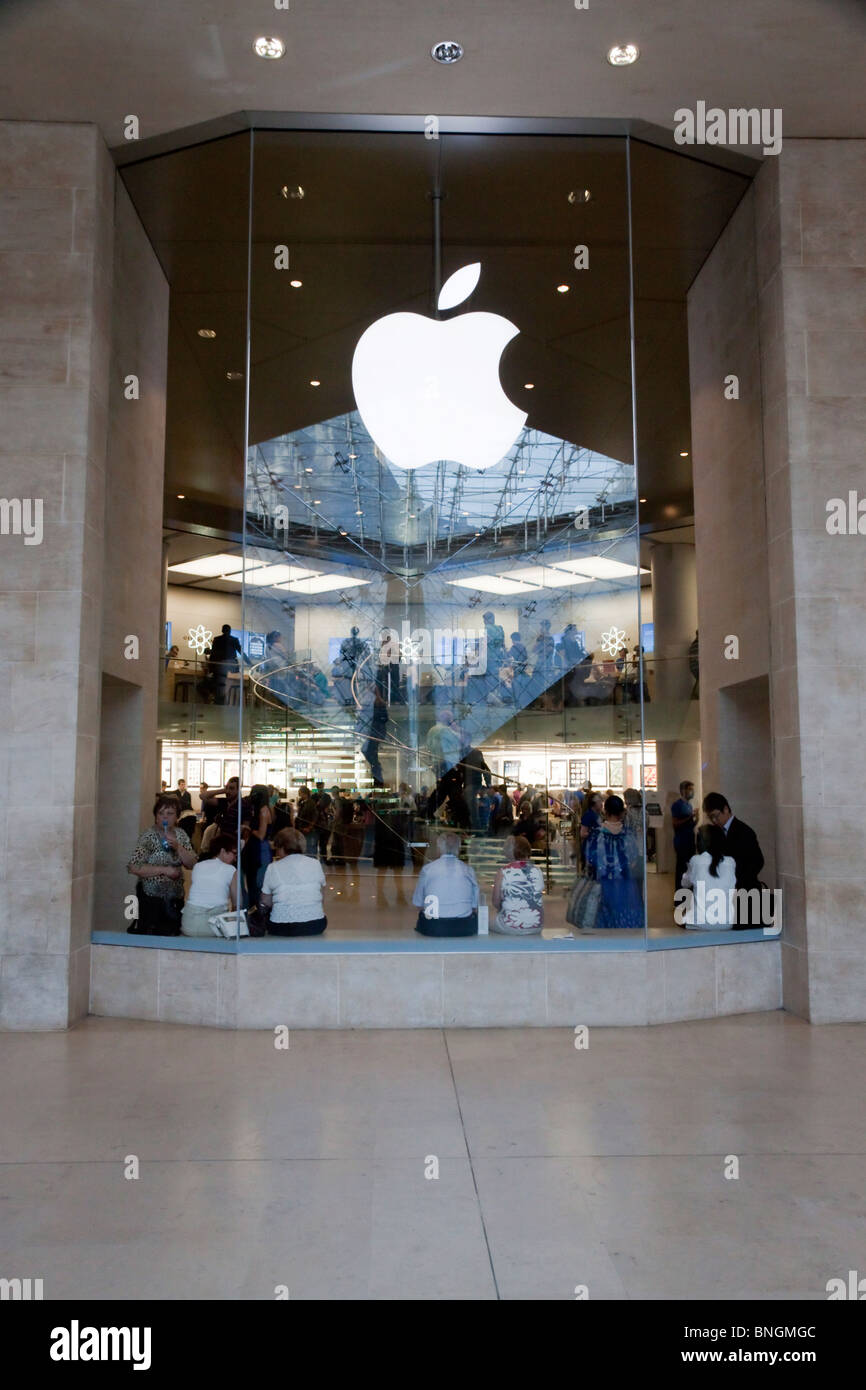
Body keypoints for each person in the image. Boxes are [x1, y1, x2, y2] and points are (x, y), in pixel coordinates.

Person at [127, 794, 198, 935]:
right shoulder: (148, 836)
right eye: (160, 813)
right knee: (151, 934)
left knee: (173, 932)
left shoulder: (181, 834)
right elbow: (133, 866)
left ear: (177, 817)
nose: (165, 817)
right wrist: (164, 870)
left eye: (170, 813)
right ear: (155, 816)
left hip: (174, 897)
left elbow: (192, 864)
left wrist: (179, 847)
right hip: (151, 897)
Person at [702, 792, 765, 927]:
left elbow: (758, 861)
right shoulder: (715, 833)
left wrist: (738, 881)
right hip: (726, 895)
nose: (714, 821)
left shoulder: (744, 831)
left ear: (726, 809)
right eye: (710, 817)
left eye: (716, 816)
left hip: (746, 893)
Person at [585, 794, 643, 928]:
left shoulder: (596, 835)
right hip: (625, 885)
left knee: (603, 924)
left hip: (602, 884)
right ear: (622, 813)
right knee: (626, 922)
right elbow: (634, 860)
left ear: (605, 811)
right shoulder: (628, 834)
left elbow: (590, 860)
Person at [260, 828, 327, 936]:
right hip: (315, 924)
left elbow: (265, 901)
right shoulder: (315, 863)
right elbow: (322, 895)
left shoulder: (273, 867)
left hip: (281, 926)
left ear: (282, 848)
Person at [412, 831, 479, 937]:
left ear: (439, 848)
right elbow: (475, 906)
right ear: (459, 848)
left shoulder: (428, 869)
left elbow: (418, 903)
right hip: (464, 926)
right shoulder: (468, 870)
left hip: (434, 926)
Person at [680, 824, 737, 929]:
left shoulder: (696, 860)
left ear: (702, 843)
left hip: (700, 924)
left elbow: (684, 884)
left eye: (698, 840)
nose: (696, 844)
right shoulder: (731, 862)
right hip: (727, 924)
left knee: (683, 911)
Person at [181, 834, 238, 936]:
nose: (235, 858)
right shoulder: (231, 870)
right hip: (212, 926)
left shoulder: (198, 866)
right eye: (234, 853)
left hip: (188, 923)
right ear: (222, 851)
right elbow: (237, 903)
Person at [491, 835, 544, 935]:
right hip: (537, 925)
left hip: (511, 926)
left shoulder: (503, 872)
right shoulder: (537, 870)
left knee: (487, 920)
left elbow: (496, 902)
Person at [241, 784, 273, 907]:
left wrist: (247, 828)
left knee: (257, 883)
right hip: (254, 848)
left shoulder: (264, 810)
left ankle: (257, 911)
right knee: (251, 881)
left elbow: (261, 835)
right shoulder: (258, 808)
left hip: (260, 850)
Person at [671, 780, 698, 892]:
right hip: (681, 843)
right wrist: (690, 817)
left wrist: (697, 818)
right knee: (681, 870)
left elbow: (690, 825)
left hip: (690, 842)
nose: (692, 792)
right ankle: (679, 899)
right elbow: (675, 823)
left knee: (690, 869)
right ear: (683, 791)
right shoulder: (677, 805)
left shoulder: (689, 805)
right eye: (690, 789)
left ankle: (689, 896)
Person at [208, 623, 244, 705]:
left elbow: (213, 655)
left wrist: (211, 669)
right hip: (232, 667)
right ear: (230, 631)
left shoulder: (217, 639)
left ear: (222, 630)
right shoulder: (234, 640)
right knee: (227, 686)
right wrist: (250, 663)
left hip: (220, 666)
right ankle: (225, 702)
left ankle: (218, 702)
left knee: (219, 686)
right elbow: (241, 652)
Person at [459, 745, 492, 830]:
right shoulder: (467, 754)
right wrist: (488, 784)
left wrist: (488, 784)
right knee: (469, 807)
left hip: (473, 784)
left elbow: (486, 770)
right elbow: (486, 770)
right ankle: (472, 828)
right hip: (471, 784)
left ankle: (474, 829)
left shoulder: (472, 753)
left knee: (471, 808)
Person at [578, 791, 604, 870]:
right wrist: (595, 832)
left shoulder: (598, 814)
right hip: (590, 849)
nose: (601, 804)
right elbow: (582, 833)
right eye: (599, 802)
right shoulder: (589, 815)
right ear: (594, 803)